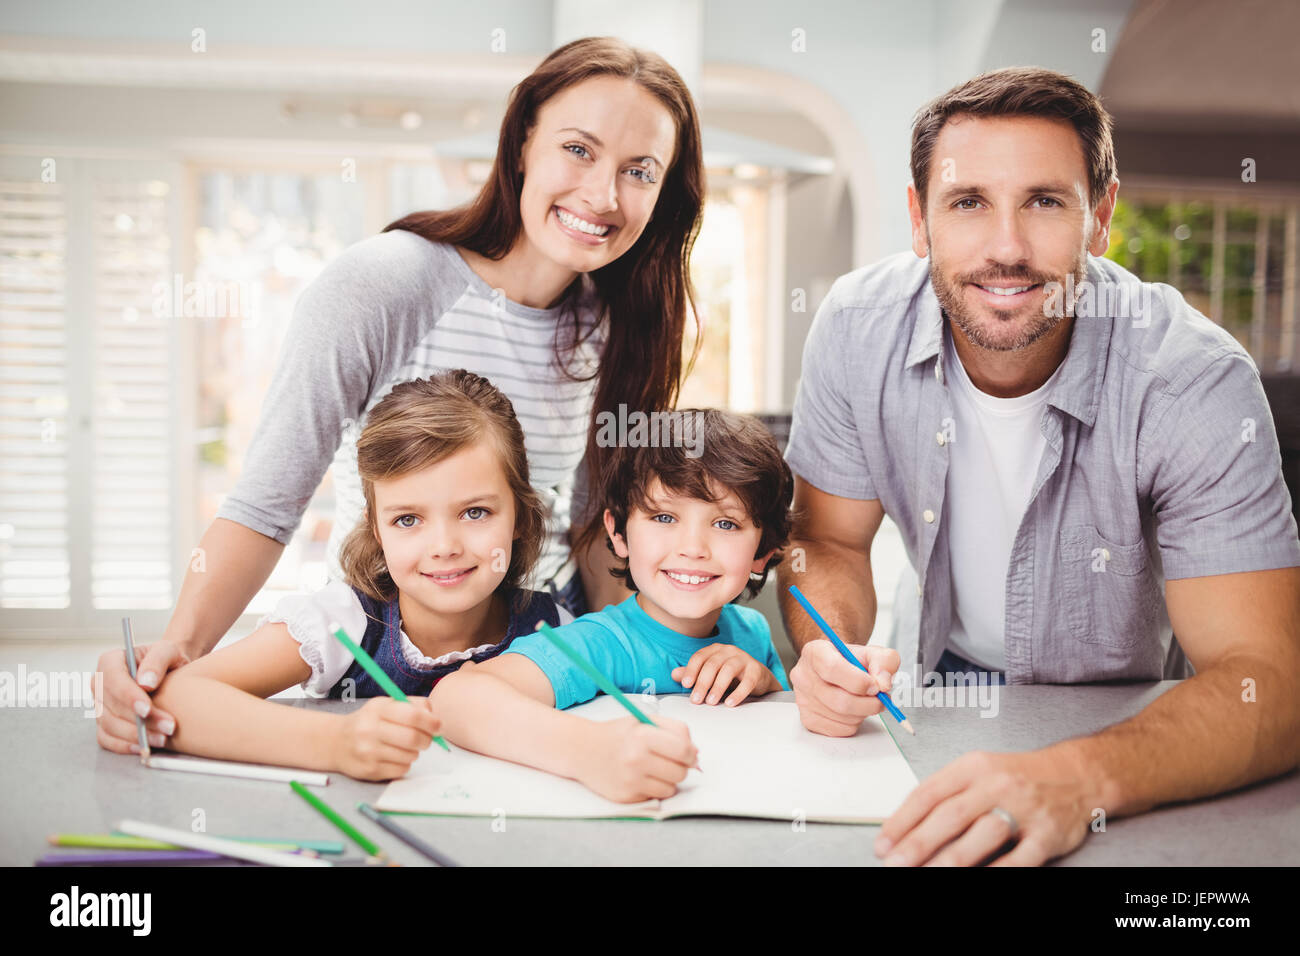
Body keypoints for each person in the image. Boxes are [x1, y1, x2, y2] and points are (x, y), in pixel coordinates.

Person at [95, 36, 707, 756]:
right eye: (578, 149)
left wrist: (633, 664)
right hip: (383, 647)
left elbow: (597, 531)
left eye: (640, 171)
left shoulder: (621, 325)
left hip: (538, 664)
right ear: (521, 146)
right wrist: (179, 652)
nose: (603, 195)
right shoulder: (383, 285)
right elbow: (266, 504)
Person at [777, 66, 1300, 865]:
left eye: (1045, 202)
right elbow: (832, 543)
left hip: (1129, 719)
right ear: (919, 220)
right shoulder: (856, 330)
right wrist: (829, 647)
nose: (1007, 250)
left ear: (1101, 218)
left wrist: (1078, 777)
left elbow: (1269, 682)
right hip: (934, 691)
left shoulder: (1193, 381)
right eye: (968, 202)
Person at [146, 371, 567, 780]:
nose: (444, 546)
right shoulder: (341, 621)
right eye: (407, 520)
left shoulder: (558, 630)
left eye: (475, 512)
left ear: (520, 518)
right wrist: (337, 742)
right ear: (376, 531)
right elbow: (176, 698)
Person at [430, 409, 794, 803]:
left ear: (763, 552)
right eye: (665, 517)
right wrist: (591, 752)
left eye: (725, 524)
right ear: (618, 534)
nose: (693, 548)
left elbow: (781, 734)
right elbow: (454, 699)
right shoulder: (599, 643)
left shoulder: (752, 634)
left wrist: (764, 683)